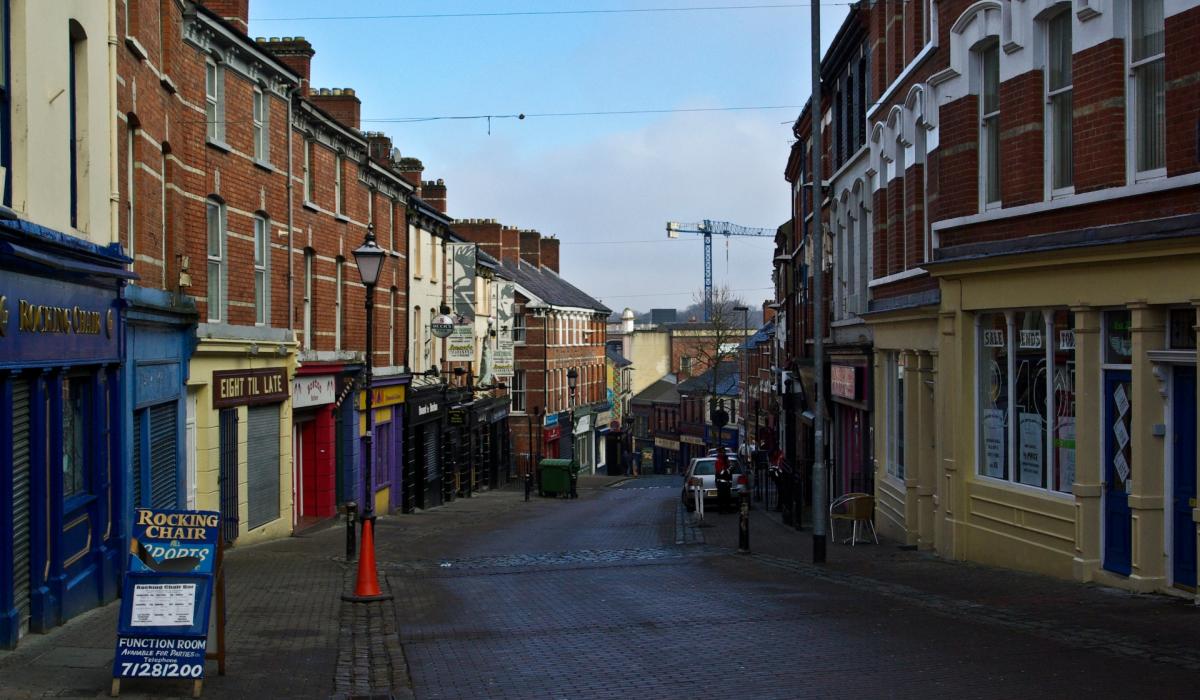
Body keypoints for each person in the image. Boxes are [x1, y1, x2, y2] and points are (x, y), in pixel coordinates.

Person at [715, 447, 733, 514]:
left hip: (727, 481)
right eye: (722, 452)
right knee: (721, 497)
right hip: (721, 482)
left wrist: (729, 468)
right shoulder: (718, 461)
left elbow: (730, 468)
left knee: (727, 497)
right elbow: (720, 472)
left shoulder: (726, 459)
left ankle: (728, 509)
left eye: (724, 452)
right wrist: (726, 469)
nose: (723, 453)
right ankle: (720, 510)